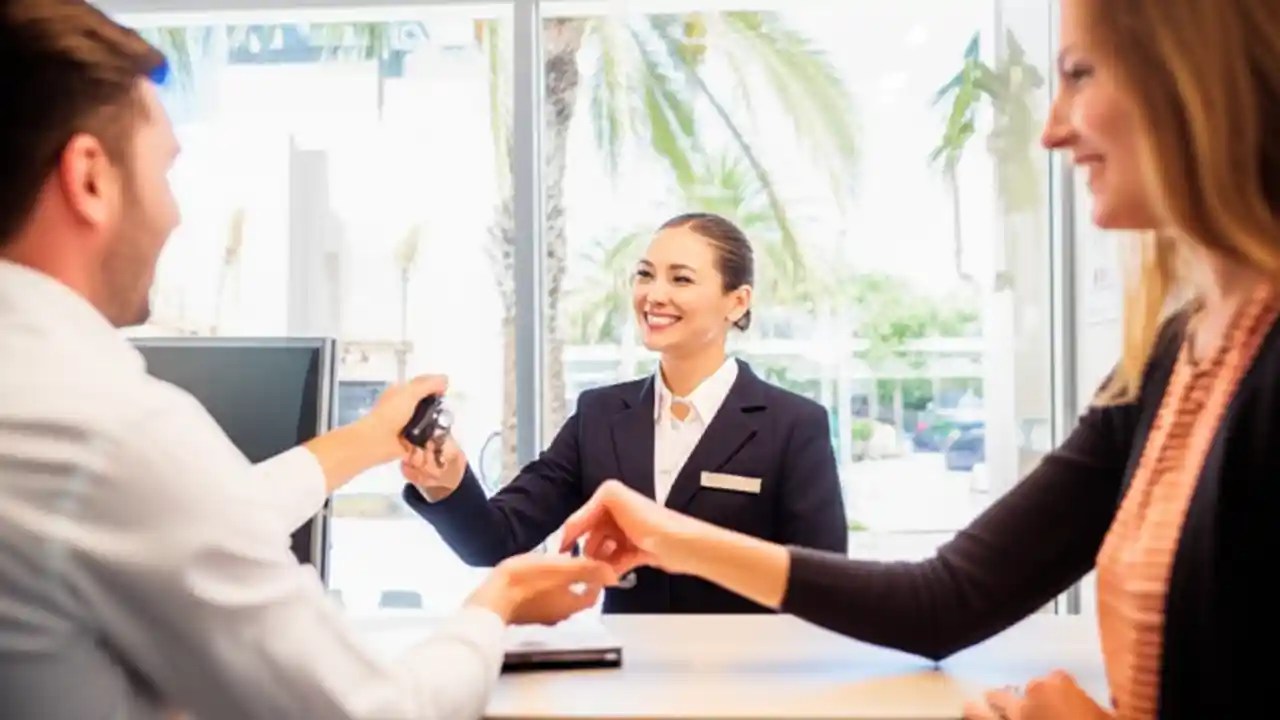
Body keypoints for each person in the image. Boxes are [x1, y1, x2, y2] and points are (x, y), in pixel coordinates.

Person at [556, 0, 1278, 716]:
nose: (1052, 129)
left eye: (1080, 74)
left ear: (1195, 76)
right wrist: (667, 536)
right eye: (647, 275)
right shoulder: (1164, 363)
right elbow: (944, 599)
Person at [0, 3, 615, 719]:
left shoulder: (51, 407)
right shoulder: (106, 428)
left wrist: (372, 439)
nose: (174, 213)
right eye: (164, 172)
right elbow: (374, 711)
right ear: (90, 178)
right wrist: (495, 607)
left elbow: (198, 517)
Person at [400, 212, 848, 613]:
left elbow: (827, 586)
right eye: (645, 275)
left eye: (681, 279)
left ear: (737, 302)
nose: (654, 294)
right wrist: (446, 483)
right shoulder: (599, 416)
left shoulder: (793, 425)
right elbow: (495, 540)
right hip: (628, 669)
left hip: (747, 670)